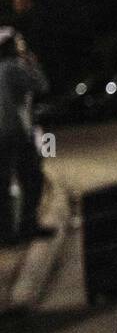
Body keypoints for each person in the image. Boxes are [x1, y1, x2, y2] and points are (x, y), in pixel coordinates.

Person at [0, 26, 54, 243]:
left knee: (2, 185)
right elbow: (41, 86)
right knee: (32, 178)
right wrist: (32, 64)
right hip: (17, 132)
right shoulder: (14, 67)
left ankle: (5, 232)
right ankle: (28, 225)